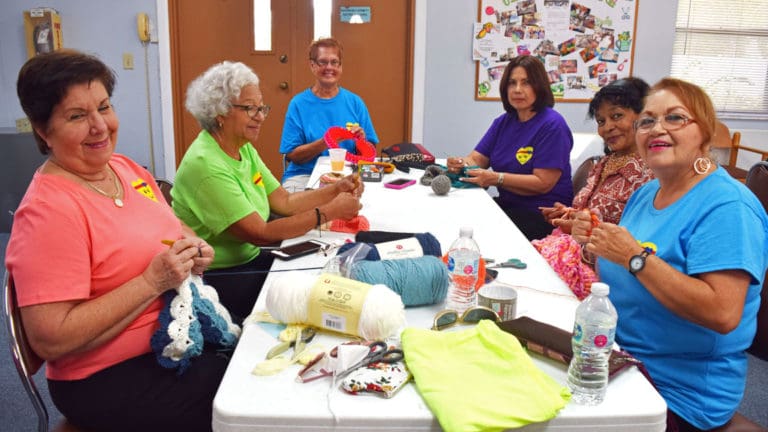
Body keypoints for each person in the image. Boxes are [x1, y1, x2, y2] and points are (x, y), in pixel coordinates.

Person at [6, 49, 222, 431]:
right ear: (43, 130)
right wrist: (152, 282)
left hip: (174, 332)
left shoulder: (124, 169)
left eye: (104, 107)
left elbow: (172, 227)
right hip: (106, 378)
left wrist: (193, 247)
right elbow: (51, 339)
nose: (99, 126)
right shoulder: (47, 212)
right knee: (247, 395)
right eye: (77, 116)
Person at [571, 78, 768, 431]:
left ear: (705, 132)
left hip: (677, 392)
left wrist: (634, 257)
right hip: (618, 361)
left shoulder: (728, 206)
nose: (657, 128)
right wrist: (595, 243)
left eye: (674, 117)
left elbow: (722, 313)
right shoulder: (646, 194)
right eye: (647, 121)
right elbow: (623, 273)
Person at [173, 60, 363, 322]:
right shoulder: (205, 165)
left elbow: (285, 202)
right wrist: (330, 212)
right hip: (219, 278)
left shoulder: (242, 148)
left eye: (261, 108)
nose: (260, 116)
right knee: (315, 300)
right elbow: (260, 234)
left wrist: (337, 188)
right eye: (250, 108)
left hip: (249, 261)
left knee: (327, 280)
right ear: (220, 113)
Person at [534, 78, 654, 299]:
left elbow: (636, 239)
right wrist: (569, 214)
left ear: (643, 116)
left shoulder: (650, 173)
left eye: (616, 116)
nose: (607, 127)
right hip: (571, 252)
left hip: (603, 272)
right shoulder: (603, 163)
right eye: (601, 121)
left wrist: (580, 228)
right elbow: (591, 214)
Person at [447, 55, 574, 241]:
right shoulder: (503, 122)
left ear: (539, 86)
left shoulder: (553, 125)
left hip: (543, 216)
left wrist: (495, 178)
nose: (517, 89)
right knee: (455, 217)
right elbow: (476, 159)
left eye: (526, 83)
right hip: (509, 206)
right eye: (512, 83)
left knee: (474, 232)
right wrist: (460, 163)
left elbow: (542, 183)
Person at [280, 37, 379, 191]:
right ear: (312, 65)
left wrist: (362, 141)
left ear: (341, 66)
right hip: (305, 175)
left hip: (346, 175)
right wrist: (326, 141)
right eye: (323, 62)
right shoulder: (298, 104)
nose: (329, 67)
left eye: (334, 62)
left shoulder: (355, 102)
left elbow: (371, 151)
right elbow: (292, 154)